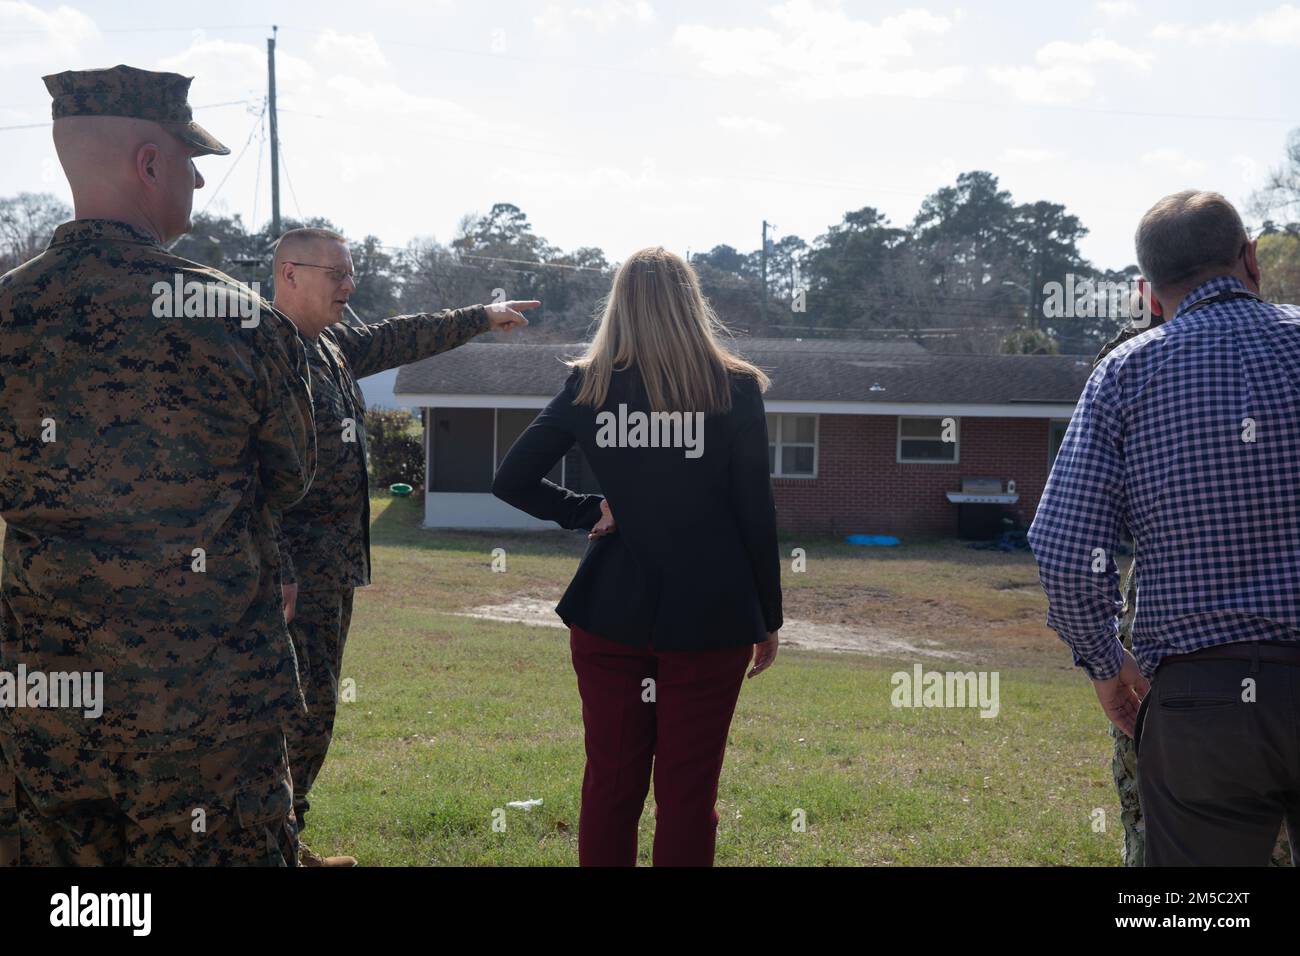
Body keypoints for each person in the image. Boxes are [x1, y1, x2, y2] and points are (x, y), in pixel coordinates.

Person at [0, 65, 316, 865]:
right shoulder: (236, 317)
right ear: (148, 163)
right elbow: (294, 474)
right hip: (207, 716)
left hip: (47, 709)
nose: (200, 177)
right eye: (188, 157)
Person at [1029, 190, 1300, 866]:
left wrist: (1103, 661)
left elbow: (1066, 548)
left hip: (1198, 701)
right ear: (1251, 259)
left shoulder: (1125, 374)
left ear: (1149, 294)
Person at [492, 246, 782, 867]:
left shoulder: (590, 384)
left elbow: (511, 479)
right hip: (711, 617)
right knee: (687, 793)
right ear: (690, 302)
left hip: (612, 612)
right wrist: (769, 618)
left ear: (618, 305)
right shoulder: (735, 388)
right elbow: (756, 513)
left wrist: (586, 509)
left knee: (612, 784)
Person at [269, 227, 535, 865]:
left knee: (315, 714)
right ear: (289, 275)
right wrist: (276, 566)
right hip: (286, 582)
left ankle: (284, 839)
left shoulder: (329, 344)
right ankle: (264, 845)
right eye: (336, 274)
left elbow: (397, 336)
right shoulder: (262, 350)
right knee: (286, 715)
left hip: (330, 573)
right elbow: (242, 472)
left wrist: (479, 316)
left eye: (352, 272)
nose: (349, 286)